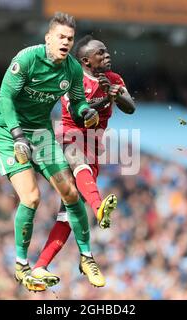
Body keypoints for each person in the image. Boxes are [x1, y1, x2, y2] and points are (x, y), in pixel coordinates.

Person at [0, 12, 105, 292]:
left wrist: (86, 111)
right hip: (7, 130)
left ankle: (87, 258)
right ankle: (21, 265)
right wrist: (17, 135)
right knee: (31, 196)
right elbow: (5, 99)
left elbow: (77, 104)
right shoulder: (27, 59)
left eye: (70, 39)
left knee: (71, 193)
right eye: (61, 37)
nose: (66, 43)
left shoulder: (73, 69)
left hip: (40, 133)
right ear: (48, 38)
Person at [31, 35, 135, 288]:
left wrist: (117, 95)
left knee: (68, 214)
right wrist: (106, 99)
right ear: (87, 60)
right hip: (67, 139)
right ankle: (99, 207)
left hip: (95, 146)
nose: (107, 55)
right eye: (101, 52)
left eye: (107, 50)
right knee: (78, 164)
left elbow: (130, 107)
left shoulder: (114, 79)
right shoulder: (71, 78)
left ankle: (40, 267)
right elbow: (81, 115)